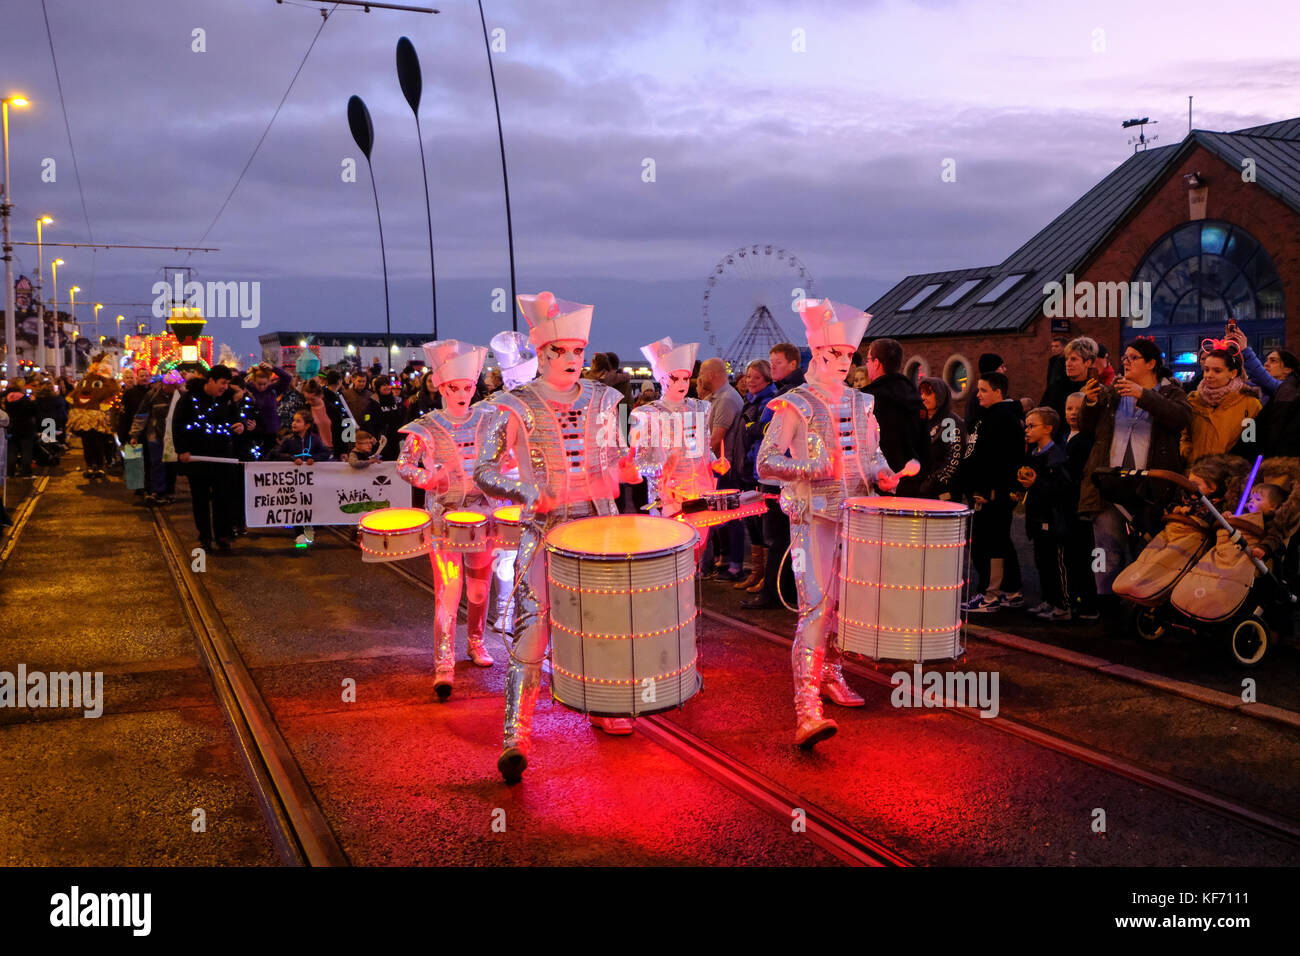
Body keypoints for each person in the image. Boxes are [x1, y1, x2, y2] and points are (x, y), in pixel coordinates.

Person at [473, 292, 639, 782]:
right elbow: (484, 469)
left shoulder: (606, 400)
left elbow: (619, 459)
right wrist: (523, 488)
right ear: (539, 353)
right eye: (557, 351)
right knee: (533, 627)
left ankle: (604, 705)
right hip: (544, 532)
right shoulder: (511, 406)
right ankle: (515, 735)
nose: (569, 360)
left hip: (598, 528)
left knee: (604, 623)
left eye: (576, 352)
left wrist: (631, 467)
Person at [757, 299, 901, 748]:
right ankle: (806, 708)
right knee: (815, 606)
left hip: (856, 515)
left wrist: (884, 473)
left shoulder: (863, 403)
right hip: (810, 519)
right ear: (816, 354)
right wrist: (809, 469)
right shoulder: (793, 404)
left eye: (848, 355)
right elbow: (764, 462)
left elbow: (871, 452)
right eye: (834, 353)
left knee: (844, 603)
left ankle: (832, 674)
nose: (842, 362)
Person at [397, 339, 499, 700]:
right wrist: (428, 478)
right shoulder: (425, 427)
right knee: (448, 590)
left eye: (468, 387)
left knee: (479, 588)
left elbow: (503, 460)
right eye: (454, 387)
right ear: (441, 387)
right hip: (443, 519)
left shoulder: (489, 422)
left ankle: (475, 642)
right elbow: (404, 464)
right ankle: (444, 663)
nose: (462, 393)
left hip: (483, 517)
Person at [1078, 337, 1191, 612]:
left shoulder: (1171, 393)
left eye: (1133, 358)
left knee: (1147, 553)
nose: (1125, 362)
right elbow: (1087, 429)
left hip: (1149, 488)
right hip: (1109, 485)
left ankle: (1145, 612)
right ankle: (1108, 610)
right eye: (1124, 357)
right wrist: (1090, 402)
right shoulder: (1112, 394)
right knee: (1106, 551)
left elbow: (1181, 419)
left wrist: (1144, 395)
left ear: (1151, 363)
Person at [630, 337, 724, 519]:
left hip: (700, 494)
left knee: (700, 543)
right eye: (676, 378)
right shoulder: (646, 414)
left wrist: (714, 461)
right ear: (663, 379)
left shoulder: (700, 408)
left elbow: (702, 448)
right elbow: (639, 462)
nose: (682, 384)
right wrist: (661, 467)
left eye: (686, 378)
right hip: (666, 499)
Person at [742, 342, 805, 610]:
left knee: (778, 536)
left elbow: (771, 430)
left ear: (793, 364)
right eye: (771, 362)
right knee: (779, 536)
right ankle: (780, 589)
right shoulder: (784, 391)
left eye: (777, 362)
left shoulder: (790, 394)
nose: (773, 366)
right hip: (776, 471)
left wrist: (756, 428)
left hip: (783, 473)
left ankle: (775, 591)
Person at [960, 371, 1025, 613]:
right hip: (982, 491)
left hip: (992, 494)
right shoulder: (987, 416)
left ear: (998, 391)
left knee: (991, 543)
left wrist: (990, 490)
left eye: (983, 390)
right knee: (992, 541)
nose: (978, 395)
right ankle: (1010, 590)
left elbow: (1003, 460)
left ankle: (991, 593)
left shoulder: (1004, 419)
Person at [172, 365, 243, 552]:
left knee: (223, 498)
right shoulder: (189, 399)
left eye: (228, 384)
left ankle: (222, 535)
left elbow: (236, 417)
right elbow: (177, 424)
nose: (225, 387)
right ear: (211, 380)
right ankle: (204, 536)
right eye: (223, 383)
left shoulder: (227, 400)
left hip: (222, 459)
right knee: (200, 499)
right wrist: (182, 450)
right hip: (198, 459)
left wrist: (239, 425)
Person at [1017, 407, 1071, 621]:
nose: (1027, 431)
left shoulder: (1056, 456)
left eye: (1032, 426)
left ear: (1048, 428)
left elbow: (1062, 488)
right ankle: (1048, 600)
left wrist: (1036, 483)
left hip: (1052, 519)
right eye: (1027, 426)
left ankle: (1062, 605)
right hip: (1037, 517)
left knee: (1054, 564)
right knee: (1042, 562)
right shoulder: (1033, 454)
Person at [697, 357, 746, 580]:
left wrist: (697, 460)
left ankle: (734, 564)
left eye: (702, 373)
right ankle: (726, 560)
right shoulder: (719, 397)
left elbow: (716, 438)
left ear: (712, 374)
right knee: (723, 516)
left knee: (731, 516)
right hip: (721, 465)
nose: (700, 378)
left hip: (724, 466)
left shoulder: (725, 399)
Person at [862, 337, 928, 496]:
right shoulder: (916, 399)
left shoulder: (867, 400)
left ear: (877, 363)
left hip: (879, 485)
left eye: (868, 360)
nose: (867, 364)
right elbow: (926, 446)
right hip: (912, 485)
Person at [737, 359, 777, 591]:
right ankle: (756, 571)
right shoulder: (750, 401)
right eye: (748, 376)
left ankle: (764, 576)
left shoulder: (767, 403)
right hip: (746, 467)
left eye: (755, 377)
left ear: (766, 379)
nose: (749, 380)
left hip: (756, 470)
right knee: (751, 523)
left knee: (762, 525)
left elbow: (762, 436)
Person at [1181, 349, 1262, 464]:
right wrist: (1187, 452)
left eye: (1217, 371)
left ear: (1233, 373)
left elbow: (1251, 444)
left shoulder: (1250, 404)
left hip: (1229, 475)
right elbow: (1184, 435)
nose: (1209, 375)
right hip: (1195, 472)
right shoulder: (1193, 400)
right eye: (1206, 369)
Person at [271, 409, 332, 547]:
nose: (294, 423)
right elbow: (277, 453)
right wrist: (292, 459)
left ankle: (309, 528)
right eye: (294, 420)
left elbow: (326, 453)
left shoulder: (315, 439)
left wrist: (313, 458)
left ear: (307, 425)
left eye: (298, 421)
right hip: (294, 481)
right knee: (297, 505)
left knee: (310, 504)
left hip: (311, 481)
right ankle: (298, 533)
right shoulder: (289, 440)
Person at [1061, 391, 1098, 619]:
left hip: (1080, 505)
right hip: (1065, 506)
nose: (1073, 413)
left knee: (1085, 556)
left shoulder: (1087, 440)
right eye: (1069, 408)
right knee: (1070, 557)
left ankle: (1088, 602)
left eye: (1078, 408)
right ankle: (1074, 598)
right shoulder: (1064, 436)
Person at [129, 370, 185, 505]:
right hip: (155, 435)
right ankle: (157, 491)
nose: (176, 388)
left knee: (171, 465)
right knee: (157, 463)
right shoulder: (153, 395)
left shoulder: (181, 395)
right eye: (174, 386)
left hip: (173, 436)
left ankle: (169, 491)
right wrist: (135, 434)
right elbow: (141, 415)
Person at [65, 362, 121, 481]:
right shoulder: (88, 380)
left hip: (110, 424)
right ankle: (91, 466)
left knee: (99, 444)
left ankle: (101, 466)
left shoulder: (111, 387)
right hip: (87, 419)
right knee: (88, 444)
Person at [1040, 336, 1098, 440]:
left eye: (1074, 359)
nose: (1068, 364)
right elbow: (1042, 416)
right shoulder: (1056, 387)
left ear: (1088, 363)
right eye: (1067, 359)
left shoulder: (1094, 390)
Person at [917, 377, 963, 500]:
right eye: (921, 393)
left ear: (940, 395)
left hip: (941, 494)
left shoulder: (949, 422)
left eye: (928, 393)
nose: (923, 397)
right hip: (919, 490)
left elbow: (953, 460)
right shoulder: (921, 420)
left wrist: (930, 484)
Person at [361, 375, 405, 461]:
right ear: (378, 388)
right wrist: (371, 435)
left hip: (396, 439)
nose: (387, 387)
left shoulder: (397, 401)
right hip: (380, 440)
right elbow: (367, 420)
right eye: (384, 385)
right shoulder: (372, 403)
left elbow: (403, 417)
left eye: (388, 385)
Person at [963, 353, 1005, 434]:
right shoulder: (979, 396)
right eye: (1001, 367)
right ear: (993, 370)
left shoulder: (998, 392)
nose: (1005, 369)